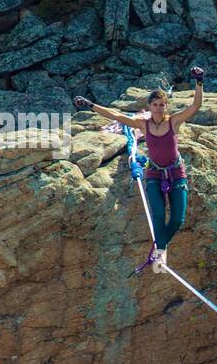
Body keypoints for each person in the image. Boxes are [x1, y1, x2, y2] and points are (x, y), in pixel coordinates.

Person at [75, 67, 204, 271]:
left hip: (176, 173)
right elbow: (116, 115)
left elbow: (195, 106)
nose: (159, 108)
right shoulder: (143, 124)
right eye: (155, 105)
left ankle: (158, 250)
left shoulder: (173, 121)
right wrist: (91, 106)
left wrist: (199, 81)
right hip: (154, 173)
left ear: (166, 106)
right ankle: (160, 255)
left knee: (178, 219)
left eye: (162, 104)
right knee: (159, 215)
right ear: (149, 106)